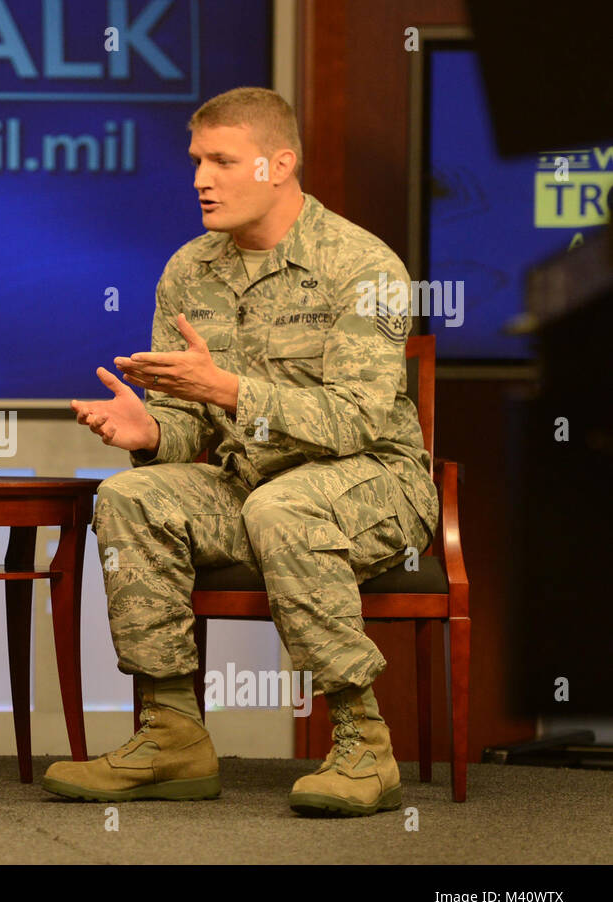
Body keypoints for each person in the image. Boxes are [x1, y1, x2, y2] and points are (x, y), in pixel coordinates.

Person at [42, 87, 438, 816]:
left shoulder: (363, 265)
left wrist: (228, 390)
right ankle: (172, 732)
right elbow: (190, 424)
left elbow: (354, 420)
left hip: (373, 482)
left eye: (223, 160)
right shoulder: (189, 270)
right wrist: (155, 431)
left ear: (279, 164)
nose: (201, 178)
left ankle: (363, 740)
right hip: (246, 485)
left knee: (282, 505)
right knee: (128, 496)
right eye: (197, 160)